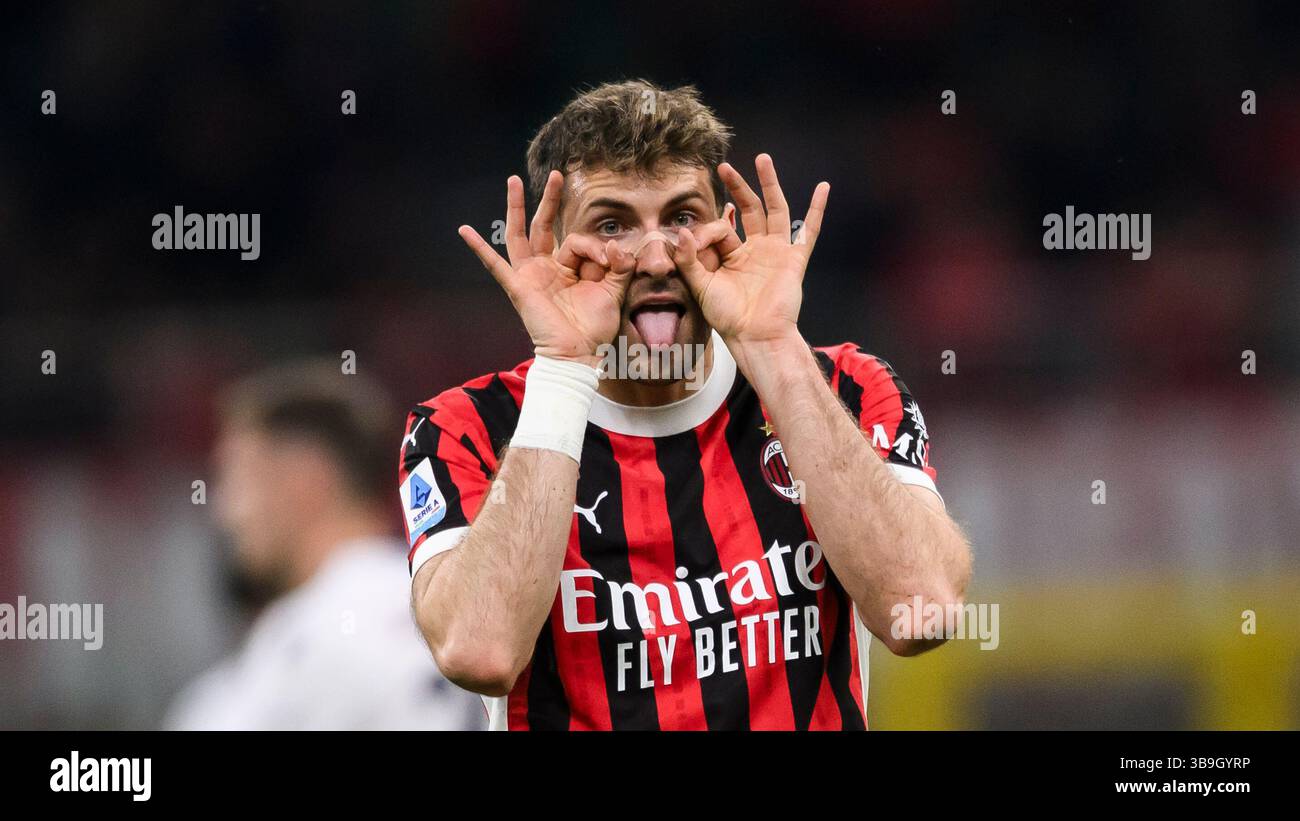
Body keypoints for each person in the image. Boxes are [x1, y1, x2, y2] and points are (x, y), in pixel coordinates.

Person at [401, 80, 971, 730]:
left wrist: (772, 345)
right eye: (611, 224)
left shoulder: (845, 386)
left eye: (681, 217)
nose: (654, 257)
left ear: (728, 228)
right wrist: (562, 365)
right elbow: (481, 650)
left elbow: (923, 610)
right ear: (550, 246)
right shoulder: (464, 427)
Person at [167, 362, 484, 730]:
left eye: (238, 479)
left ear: (305, 479)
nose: (225, 512)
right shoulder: (420, 597)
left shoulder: (348, 616)